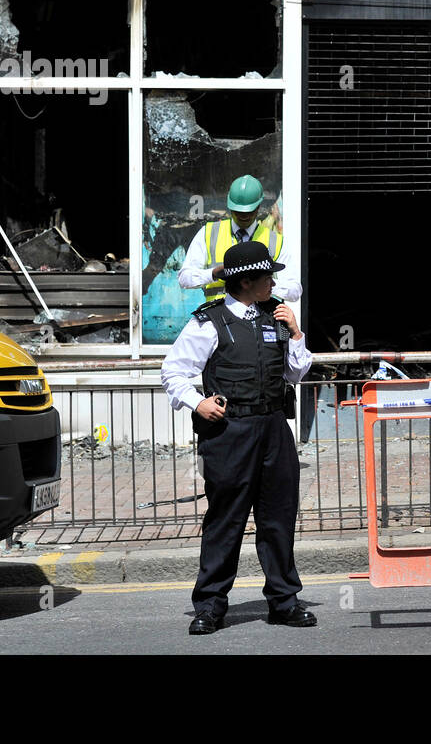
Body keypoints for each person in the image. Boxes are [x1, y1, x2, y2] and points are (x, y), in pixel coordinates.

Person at [161, 240, 315, 633]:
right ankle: (210, 605)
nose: (273, 281)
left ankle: (284, 602)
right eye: (267, 276)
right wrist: (197, 403)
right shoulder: (208, 322)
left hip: (274, 429)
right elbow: (173, 371)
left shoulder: (276, 316)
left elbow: (296, 375)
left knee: (278, 518)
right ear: (246, 281)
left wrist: (296, 334)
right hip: (230, 433)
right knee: (225, 520)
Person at [178, 174, 301, 301]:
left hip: (260, 317)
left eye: (249, 211)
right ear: (229, 206)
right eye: (238, 211)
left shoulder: (275, 241)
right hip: (218, 315)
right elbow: (184, 278)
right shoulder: (208, 233)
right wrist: (213, 274)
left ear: (259, 206)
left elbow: (295, 291)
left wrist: (263, 283)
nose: (243, 216)